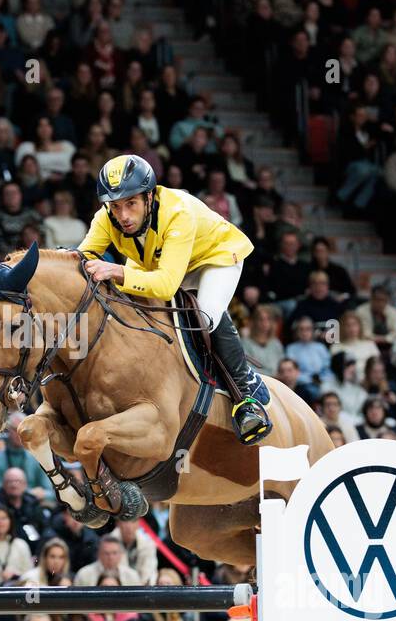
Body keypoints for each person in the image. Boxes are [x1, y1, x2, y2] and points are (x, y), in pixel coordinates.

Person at [76, 154, 272, 444]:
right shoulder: (106, 218)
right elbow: (83, 257)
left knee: (206, 315)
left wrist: (116, 270)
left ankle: (246, 393)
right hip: (159, 263)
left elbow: (167, 286)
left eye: (131, 203)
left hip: (212, 258)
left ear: (149, 197)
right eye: (115, 206)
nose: (123, 216)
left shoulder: (177, 211)